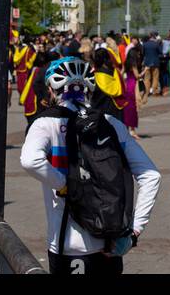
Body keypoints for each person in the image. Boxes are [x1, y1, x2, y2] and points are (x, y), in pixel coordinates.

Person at [21, 56, 160, 275]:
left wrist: (63, 184)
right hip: (110, 241)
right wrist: (134, 231)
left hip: (67, 243)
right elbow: (151, 175)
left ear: (51, 89)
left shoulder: (46, 123)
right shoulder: (111, 123)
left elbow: (30, 160)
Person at [142, 31, 162, 98]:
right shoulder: (156, 44)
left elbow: (143, 53)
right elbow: (160, 52)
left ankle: (147, 92)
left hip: (147, 63)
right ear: (154, 37)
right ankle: (154, 91)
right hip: (155, 63)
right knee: (155, 78)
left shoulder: (145, 44)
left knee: (147, 78)